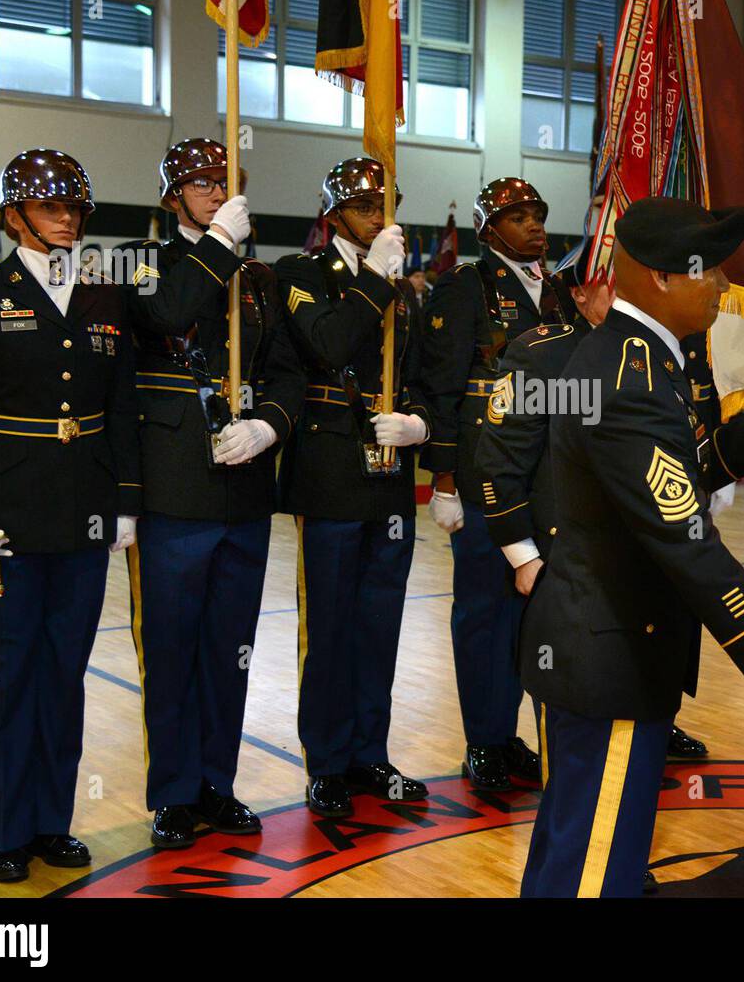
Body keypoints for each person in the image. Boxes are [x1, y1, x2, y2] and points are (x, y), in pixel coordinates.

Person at [518, 197, 744, 898]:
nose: (722, 283)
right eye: (707, 268)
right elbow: (687, 540)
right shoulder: (628, 378)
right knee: (592, 866)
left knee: (582, 851)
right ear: (660, 276)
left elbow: (673, 479)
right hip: (613, 658)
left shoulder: (643, 358)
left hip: (611, 650)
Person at [0, 149, 140, 882]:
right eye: (52, 207)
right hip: (3, 519)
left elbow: (121, 406)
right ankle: (6, 830)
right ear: (14, 216)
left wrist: (125, 503)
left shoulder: (106, 294)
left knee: (62, 675)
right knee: (3, 678)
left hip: (82, 516)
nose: (68, 219)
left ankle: (52, 822)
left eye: (75, 207)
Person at [122, 139, 305, 849]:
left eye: (224, 182)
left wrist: (269, 426)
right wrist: (220, 244)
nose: (214, 192)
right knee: (171, 648)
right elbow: (167, 315)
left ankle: (215, 784)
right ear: (173, 197)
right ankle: (172, 793)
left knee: (231, 648)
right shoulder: (144, 260)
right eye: (199, 183)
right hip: (174, 485)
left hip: (245, 487)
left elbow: (286, 371)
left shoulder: (259, 279)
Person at [474, 241, 710, 765]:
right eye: (611, 281)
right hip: (569, 564)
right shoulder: (548, 354)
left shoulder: (663, 351)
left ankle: (655, 727)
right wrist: (523, 557)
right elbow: (500, 461)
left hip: (649, 567)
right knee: (577, 750)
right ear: (579, 294)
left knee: (640, 703)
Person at [271, 158, 431, 818]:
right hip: (331, 471)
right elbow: (329, 344)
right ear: (334, 214)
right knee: (330, 627)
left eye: (384, 205)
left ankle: (370, 753)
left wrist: (419, 424)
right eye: (363, 206)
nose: (376, 216)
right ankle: (328, 763)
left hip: (389, 475)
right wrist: (375, 280)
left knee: (379, 624)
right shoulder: (300, 273)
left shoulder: (405, 288)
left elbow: (420, 374)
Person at [420, 178, 574, 791]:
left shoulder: (558, 289)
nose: (534, 224)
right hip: (486, 472)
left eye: (538, 213)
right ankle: (484, 740)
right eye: (517, 216)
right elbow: (442, 386)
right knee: (484, 613)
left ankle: (516, 737)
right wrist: (444, 479)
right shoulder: (466, 286)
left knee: (533, 614)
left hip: (547, 476)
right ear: (488, 231)